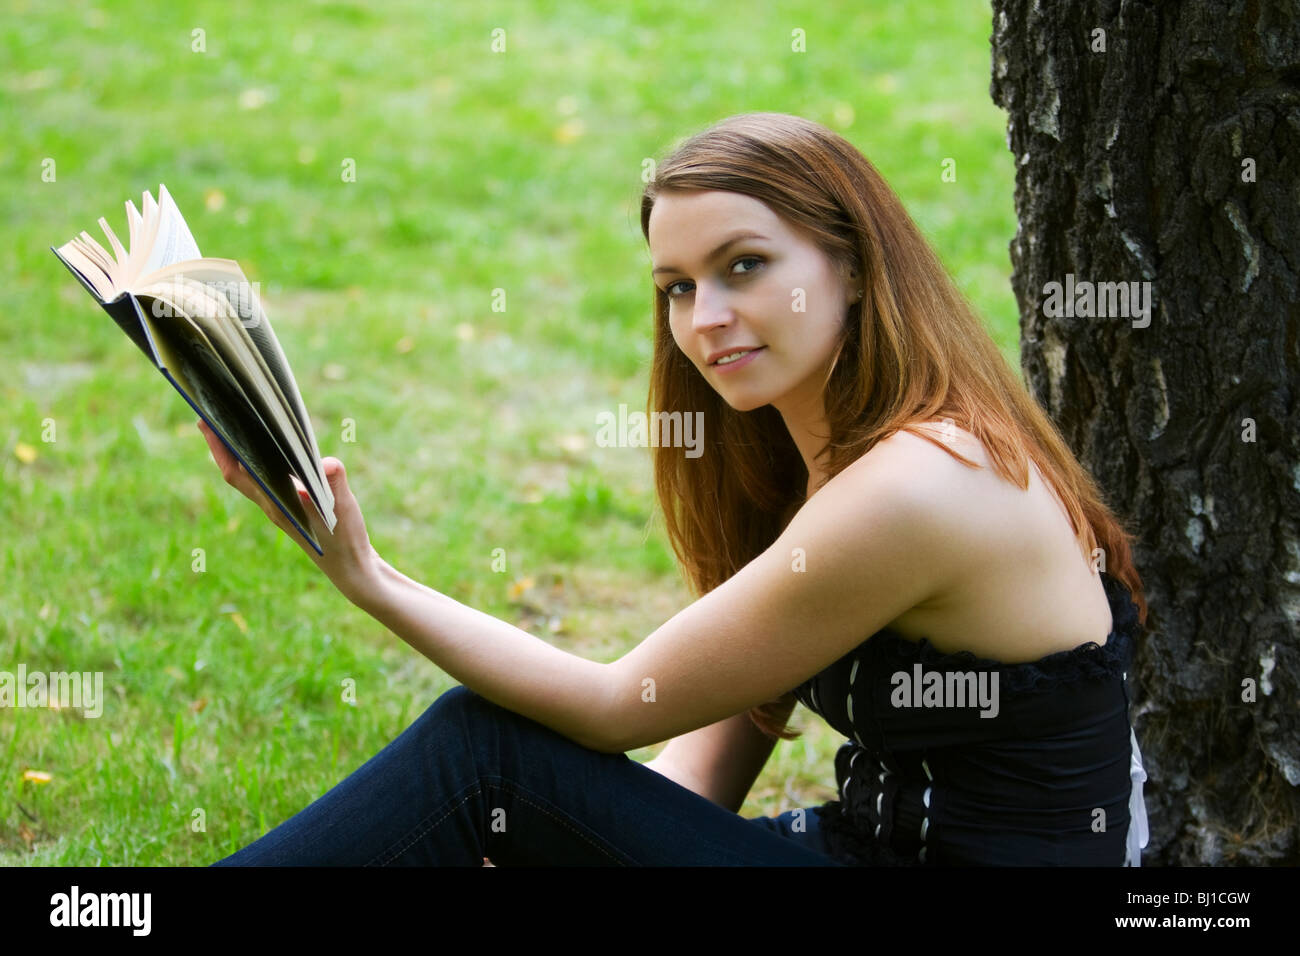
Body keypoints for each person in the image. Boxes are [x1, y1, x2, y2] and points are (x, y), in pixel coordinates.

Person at [204, 111, 1149, 867]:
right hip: (864, 844)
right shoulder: (833, 458)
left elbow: (619, 704)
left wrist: (370, 577)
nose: (707, 319)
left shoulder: (918, 484)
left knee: (481, 754)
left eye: (744, 267)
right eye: (677, 287)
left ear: (854, 266)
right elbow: (723, 745)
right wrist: (579, 840)